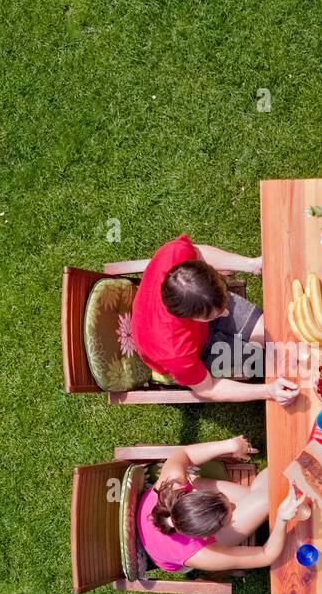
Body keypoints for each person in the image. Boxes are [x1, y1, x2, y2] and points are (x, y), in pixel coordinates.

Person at [123, 234, 299, 404]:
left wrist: (251, 264)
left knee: (275, 334)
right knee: (262, 359)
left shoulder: (175, 255)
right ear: (191, 318)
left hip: (196, 311)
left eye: (222, 304)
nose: (226, 313)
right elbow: (209, 388)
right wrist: (269, 391)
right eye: (216, 314)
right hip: (195, 349)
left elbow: (198, 252)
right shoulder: (175, 353)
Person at [139, 436, 307, 572]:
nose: (234, 506)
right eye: (229, 517)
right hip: (175, 551)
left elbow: (185, 454)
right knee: (267, 499)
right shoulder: (203, 553)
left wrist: (229, 445)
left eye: (225, 501)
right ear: (208, 536)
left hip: (176, 516)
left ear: (193, 492)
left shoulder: (173, 482)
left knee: (270, 490)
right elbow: (265, 555)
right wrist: (282, 520)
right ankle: (270, 498)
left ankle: (266, 496)